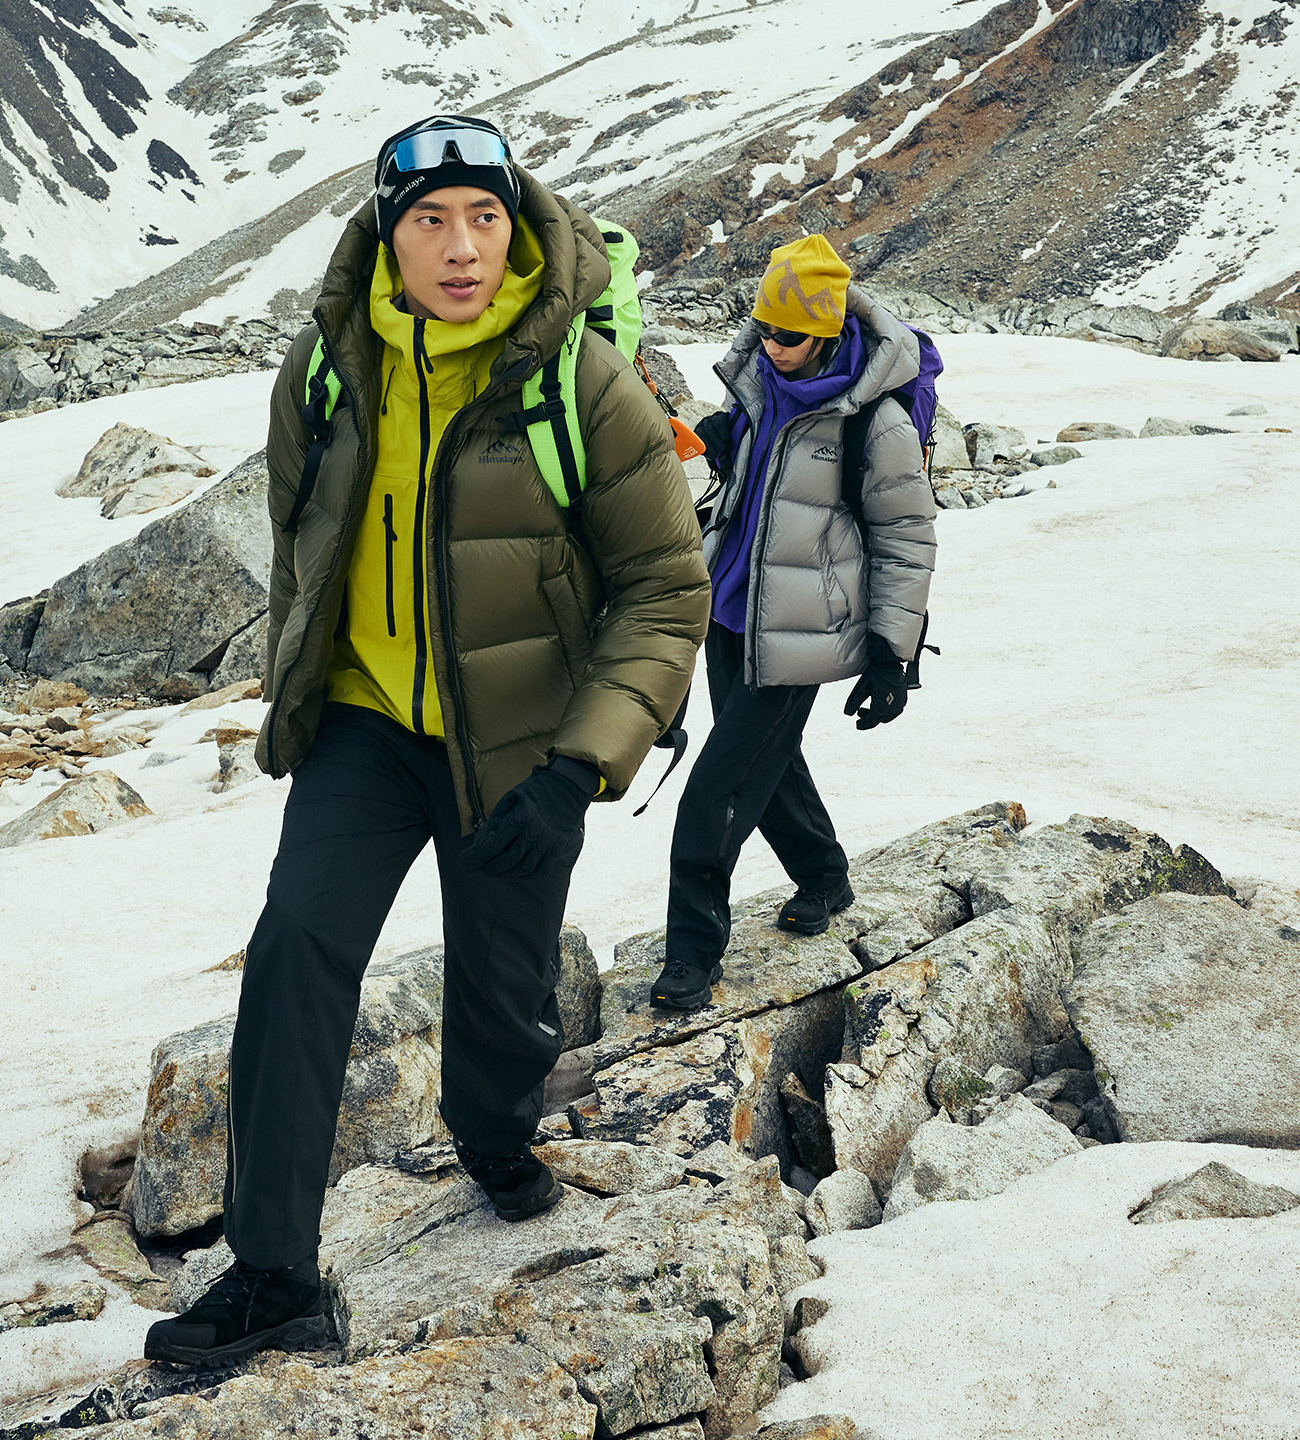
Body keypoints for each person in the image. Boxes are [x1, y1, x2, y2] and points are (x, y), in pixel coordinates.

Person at [145, 114, 708, 1366]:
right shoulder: (330, 368)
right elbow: (302, 532)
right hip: (364, 729)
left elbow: (667, 587)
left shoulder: (580, 381)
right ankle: (276, 1270)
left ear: (515, 224)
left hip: (521, 746)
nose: (461, 248)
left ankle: (498, 1131)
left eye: (485, 218)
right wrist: (303, 683)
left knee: (502, 993)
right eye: (430, 220)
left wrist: (581, 765)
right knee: (297, 950)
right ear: (386, 233)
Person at [649, 234, 937, 1012]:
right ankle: (825, 875)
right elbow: (743, 486)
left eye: (791, 335)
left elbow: (905, 537)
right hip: (731, 613)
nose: (773, 346)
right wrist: (712, 442)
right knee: (766, 770)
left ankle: (691, 956)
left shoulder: (872, 421)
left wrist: (891, 653)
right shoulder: (756, 388)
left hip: (805, 632)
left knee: (714, 795)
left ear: (829, 331)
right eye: (765, 328)